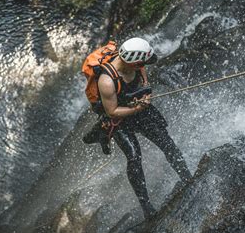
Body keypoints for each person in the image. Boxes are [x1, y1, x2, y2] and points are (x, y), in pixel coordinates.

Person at [82, 37, 192, 219]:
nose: (144, 65)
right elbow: (112, 111)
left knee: (167, 143)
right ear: (130, 61)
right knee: (134, 157)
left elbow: (144, 79)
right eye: (142, 63)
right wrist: (137, 107)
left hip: (137, 108)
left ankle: (187, 177)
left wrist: (146, 94)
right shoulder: (107, 81)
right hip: (119, 119)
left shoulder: (136, 63)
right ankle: (146, 205)